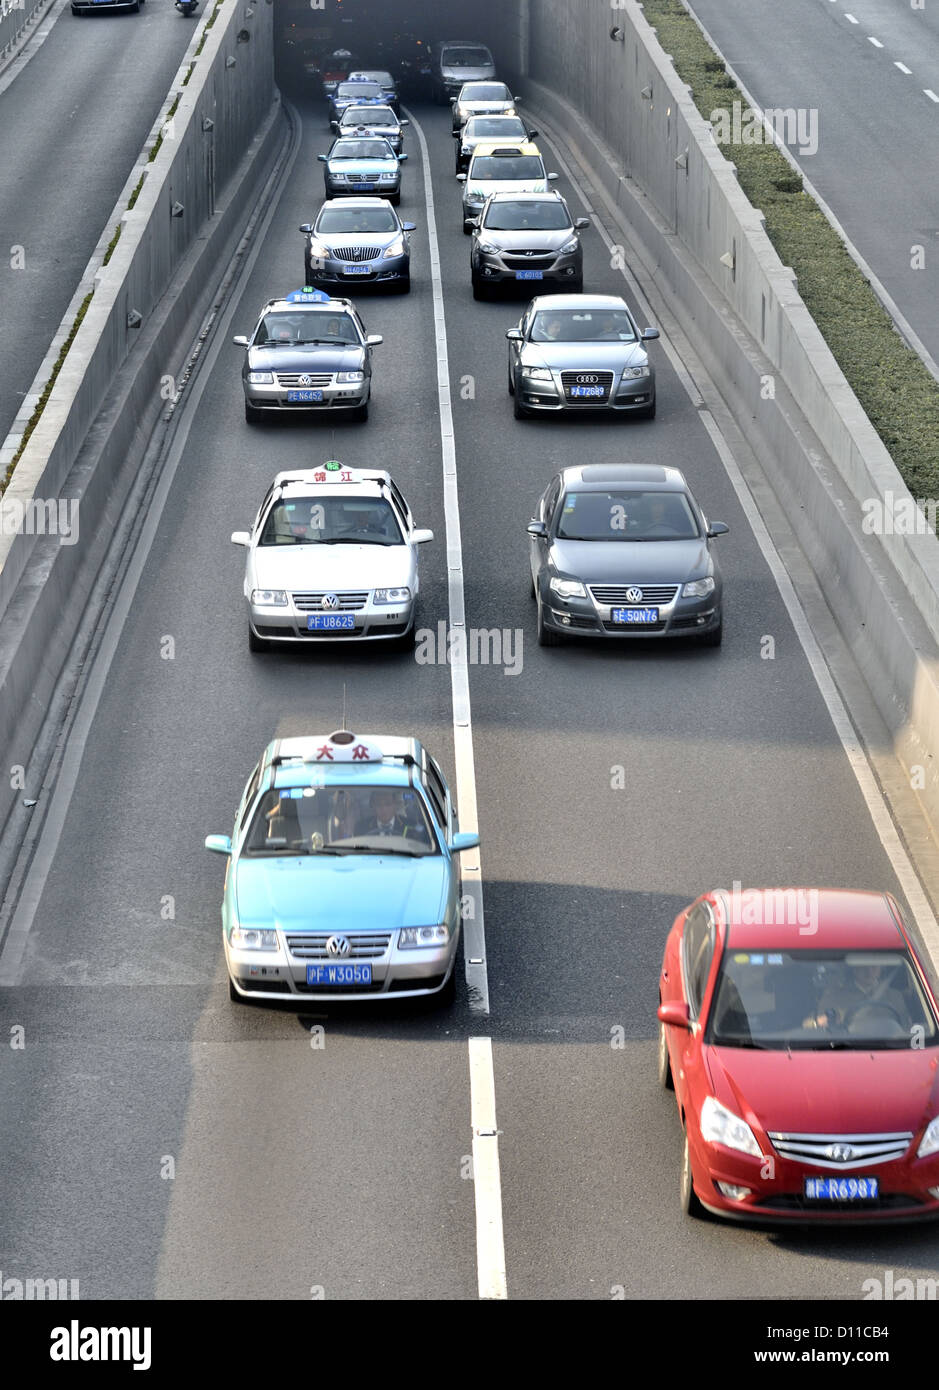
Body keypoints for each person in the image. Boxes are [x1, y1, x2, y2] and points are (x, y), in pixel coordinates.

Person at [802, 960, 908, 1031]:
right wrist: (818, 1023)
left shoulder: (895, 996)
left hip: (890, 1049)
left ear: (881, 969)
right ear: (855, 969)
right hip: (848, 1049)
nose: (869, 972)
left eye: (874, 967)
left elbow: (907, 1027)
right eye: (863, 967)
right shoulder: (834, 995)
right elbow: (808, 1025)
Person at [359, 789, 429, 843]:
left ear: (395, 805)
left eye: (388, 804)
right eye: (379, 804)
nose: (384, 809)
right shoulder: (362, 827)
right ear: (373, 807)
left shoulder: (411, 827)